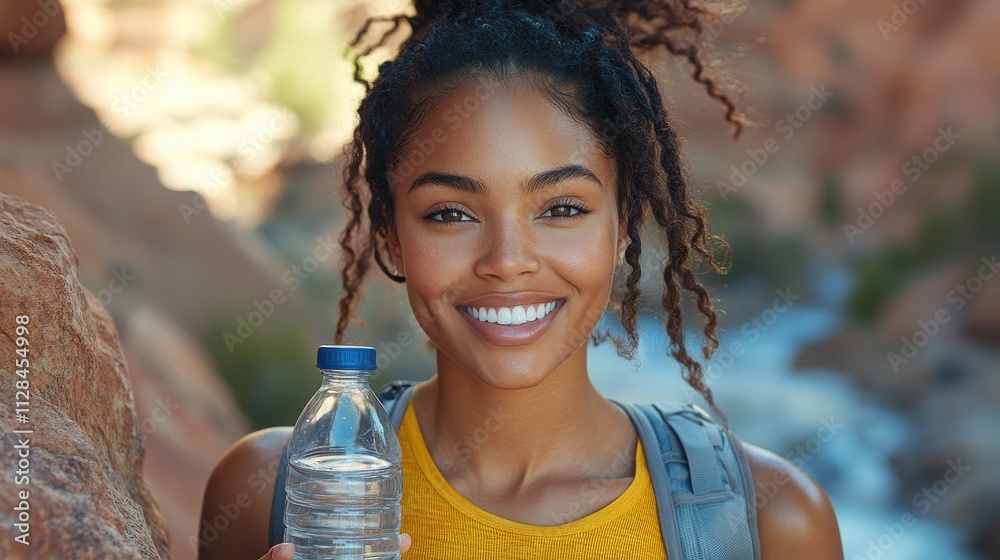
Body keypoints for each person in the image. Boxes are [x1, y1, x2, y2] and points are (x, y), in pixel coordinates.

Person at [199, 1, 843, 558]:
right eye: (450, 213)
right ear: (392, 236)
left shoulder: (770, 523)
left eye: (561, 208)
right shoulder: (273, 495)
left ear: (623, 225)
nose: (507, 260)